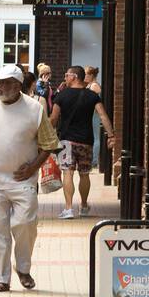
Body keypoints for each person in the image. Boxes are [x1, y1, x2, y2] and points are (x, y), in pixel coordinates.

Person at [0, 64, 60, 293]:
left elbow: (49, 144)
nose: (0, 87)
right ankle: (1, 278)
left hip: (22, 181)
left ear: (18, 85)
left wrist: (32, 167)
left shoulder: (34, 108)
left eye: (5, 83)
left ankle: (23, 268)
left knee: (25, 224)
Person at [50, 65, 116, 218]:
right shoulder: (92, 96)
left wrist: (45, 136)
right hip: (86, 141)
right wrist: (111, 135)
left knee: (68, 172)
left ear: (74, 76)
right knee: (84, 174)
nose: (65, 78)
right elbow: (103, 116)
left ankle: (68, 209)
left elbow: (53, 119)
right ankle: (84, 206)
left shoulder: (62, 95)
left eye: (67, 75)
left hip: (66, 140)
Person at [85, 65, 103, 166]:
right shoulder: (90, 84)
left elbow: (96, 100)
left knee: (95, 136)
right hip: (90, 113)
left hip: (93, 114)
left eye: (86, 74)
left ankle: (94, 161)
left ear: (92, 75)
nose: (85, 76)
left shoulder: (94, 86)